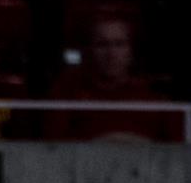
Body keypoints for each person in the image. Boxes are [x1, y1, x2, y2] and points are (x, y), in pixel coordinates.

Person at [43, 12, 179, 142]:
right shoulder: (68, 96)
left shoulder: (154, 99)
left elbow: (179, 151)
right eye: (102, 44)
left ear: (131, 51)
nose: (111, 54)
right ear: (89, 50)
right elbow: (52, 148)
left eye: (119, 44)